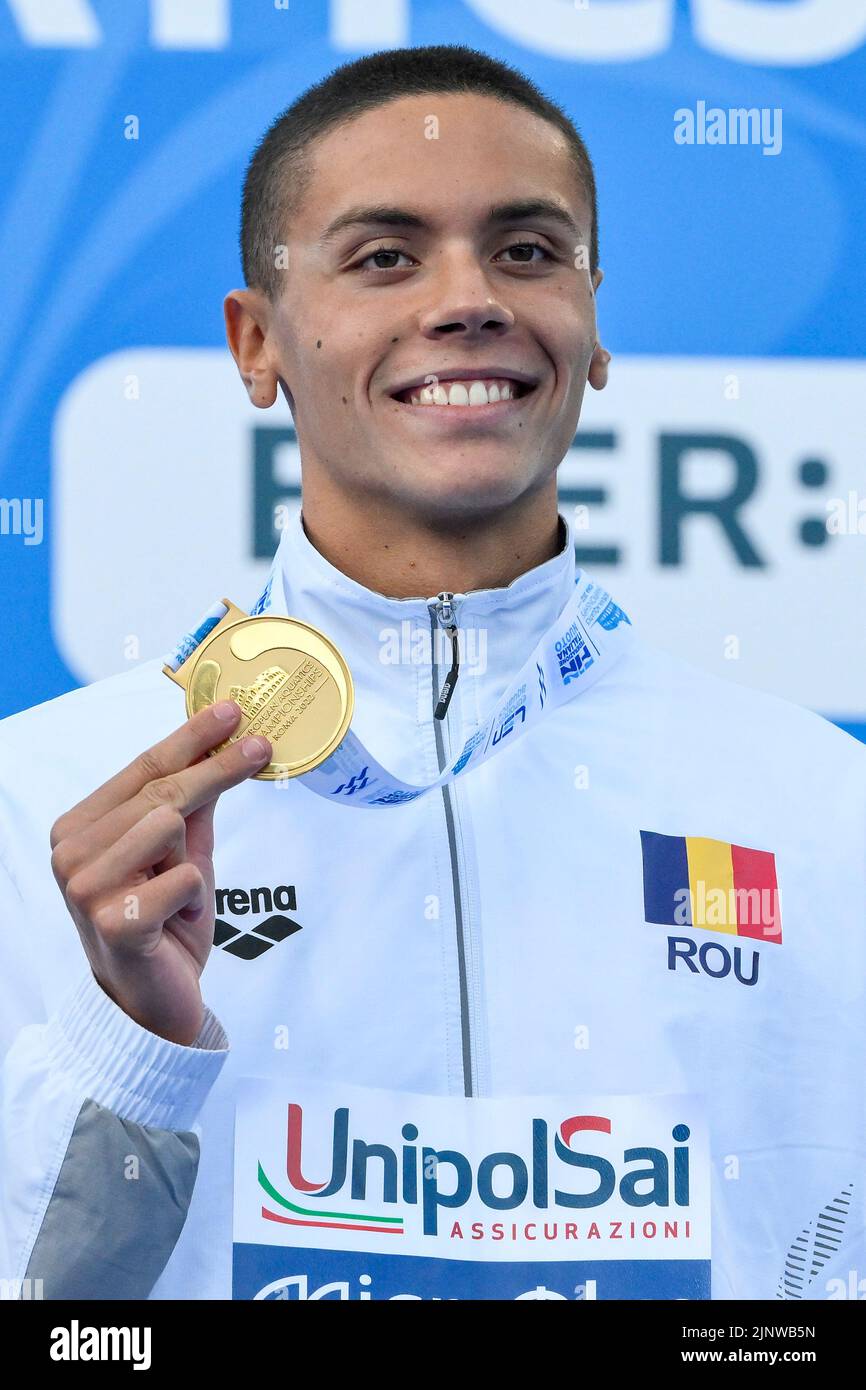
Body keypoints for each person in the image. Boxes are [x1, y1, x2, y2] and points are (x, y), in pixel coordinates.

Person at [1, 43, 864, 1303]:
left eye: (525, 251)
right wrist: (131, 1046)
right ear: (257, 345)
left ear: (592, 322)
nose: (468, 300)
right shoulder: (44, 803)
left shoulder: (820, 807)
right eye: (383, 256)